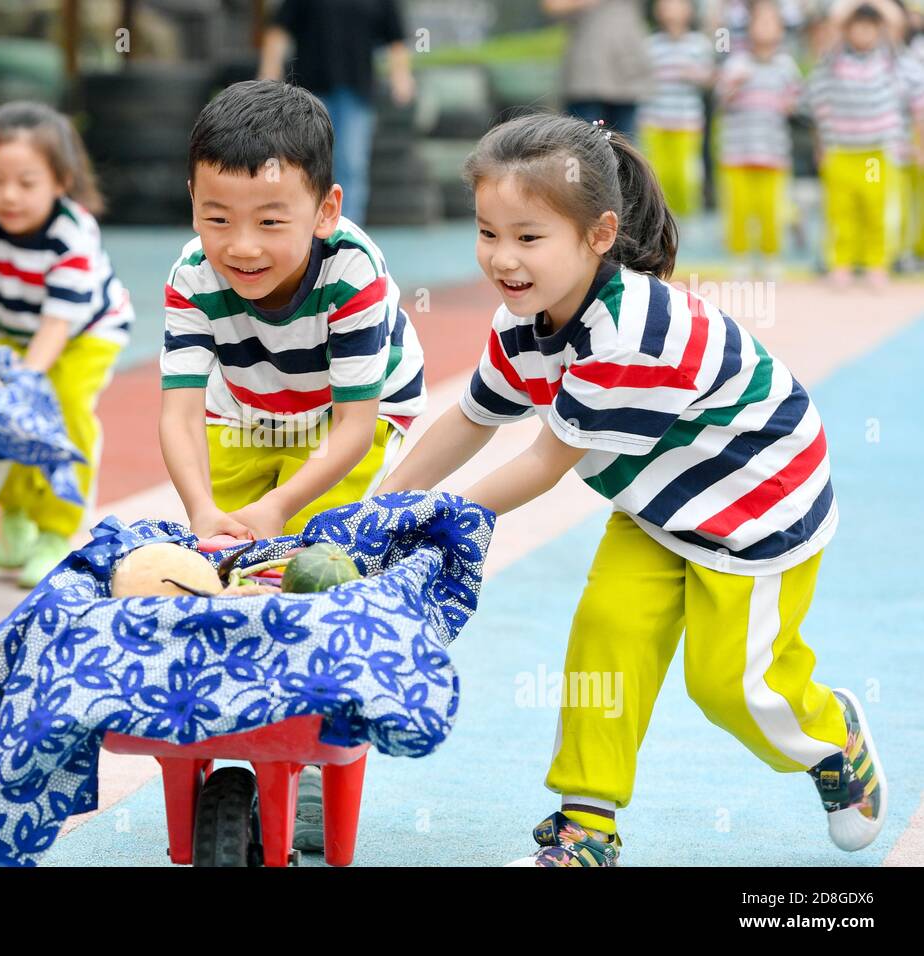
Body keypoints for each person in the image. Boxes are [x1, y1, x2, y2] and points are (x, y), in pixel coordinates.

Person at [375, 111, 885, 866]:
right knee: (604, 643)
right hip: (656, 502)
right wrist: (378, 505)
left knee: (732, 690)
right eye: (488, 232)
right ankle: (587, 831)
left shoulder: (627, 337)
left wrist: (430, 520)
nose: (502, 260)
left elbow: (546, 463)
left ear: (600, 235)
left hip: (757, 502)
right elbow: (472, 419)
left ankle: (833, 738)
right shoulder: (527, 316)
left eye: (527, 237)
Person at [159, 79, 426, 543]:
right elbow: (181, 416)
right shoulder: (193, 276)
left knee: (316, 546)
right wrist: (200, 510)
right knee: (220, 539)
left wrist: (279, 507)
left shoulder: (351, 273)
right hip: (247, 407)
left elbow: (353, 426)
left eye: (270, 222)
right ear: (193, 202)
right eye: (218, 218)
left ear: (326, 210)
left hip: (352, 411)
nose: (243, 246)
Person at [0, 102, 134, 589]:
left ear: (60, 181)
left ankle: (56, 529)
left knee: (64, 404)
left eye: (26, 183)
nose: (8, 196)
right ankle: (15, 512)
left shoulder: (71, 234)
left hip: (83, 331)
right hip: (10, 329)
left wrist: (26, 378)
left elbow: (57, 326)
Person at [257, 0, 415, 224]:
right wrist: (269, 71)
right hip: (309, 95)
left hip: (356, 94)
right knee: (305, 162)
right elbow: (279, 30)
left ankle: (346, 230)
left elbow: (396, 38)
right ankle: (302, 224)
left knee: (351, 164)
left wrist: (401, 76)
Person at [802, 0, 920, 287]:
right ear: (846, 31)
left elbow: (895, 22)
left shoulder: (888, 57)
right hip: (841, 151)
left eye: (870, 28)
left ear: (879, 31)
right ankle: (841, 263)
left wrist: (875, 6)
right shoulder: (834, 59)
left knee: (874, 209)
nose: (864, 34)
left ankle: (875, 263)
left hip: (873, 154)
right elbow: (833, 22)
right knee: (841, 212)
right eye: (857, 28)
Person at [715, 0, 804, 278]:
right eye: (760, 21)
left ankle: (770, 256)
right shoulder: (736, 64)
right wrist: (733, 87)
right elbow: (719, 101)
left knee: (771, 210)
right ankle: (740, 257)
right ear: (748, 27)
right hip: (737, 152)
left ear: (781, 29)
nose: (765, 27)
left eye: (771, 21)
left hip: (773, 152)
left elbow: (798, 101)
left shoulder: (786, 66)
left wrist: (791, 103)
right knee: (739, 209)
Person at [640, 0, 717, 219]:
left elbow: (711, 78)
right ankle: (659, 218)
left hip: (687, 121)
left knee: (685, 176)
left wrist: (696, 75)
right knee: (657, 173)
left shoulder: (699, 44)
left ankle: (686, 218)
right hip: (655, 120)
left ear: (688, 10)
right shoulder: (651, 44)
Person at [544, 0, 652, 139]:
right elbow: (553, 6)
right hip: (587, 69)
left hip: (626, 64)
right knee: (582, 144)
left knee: (623, 144)